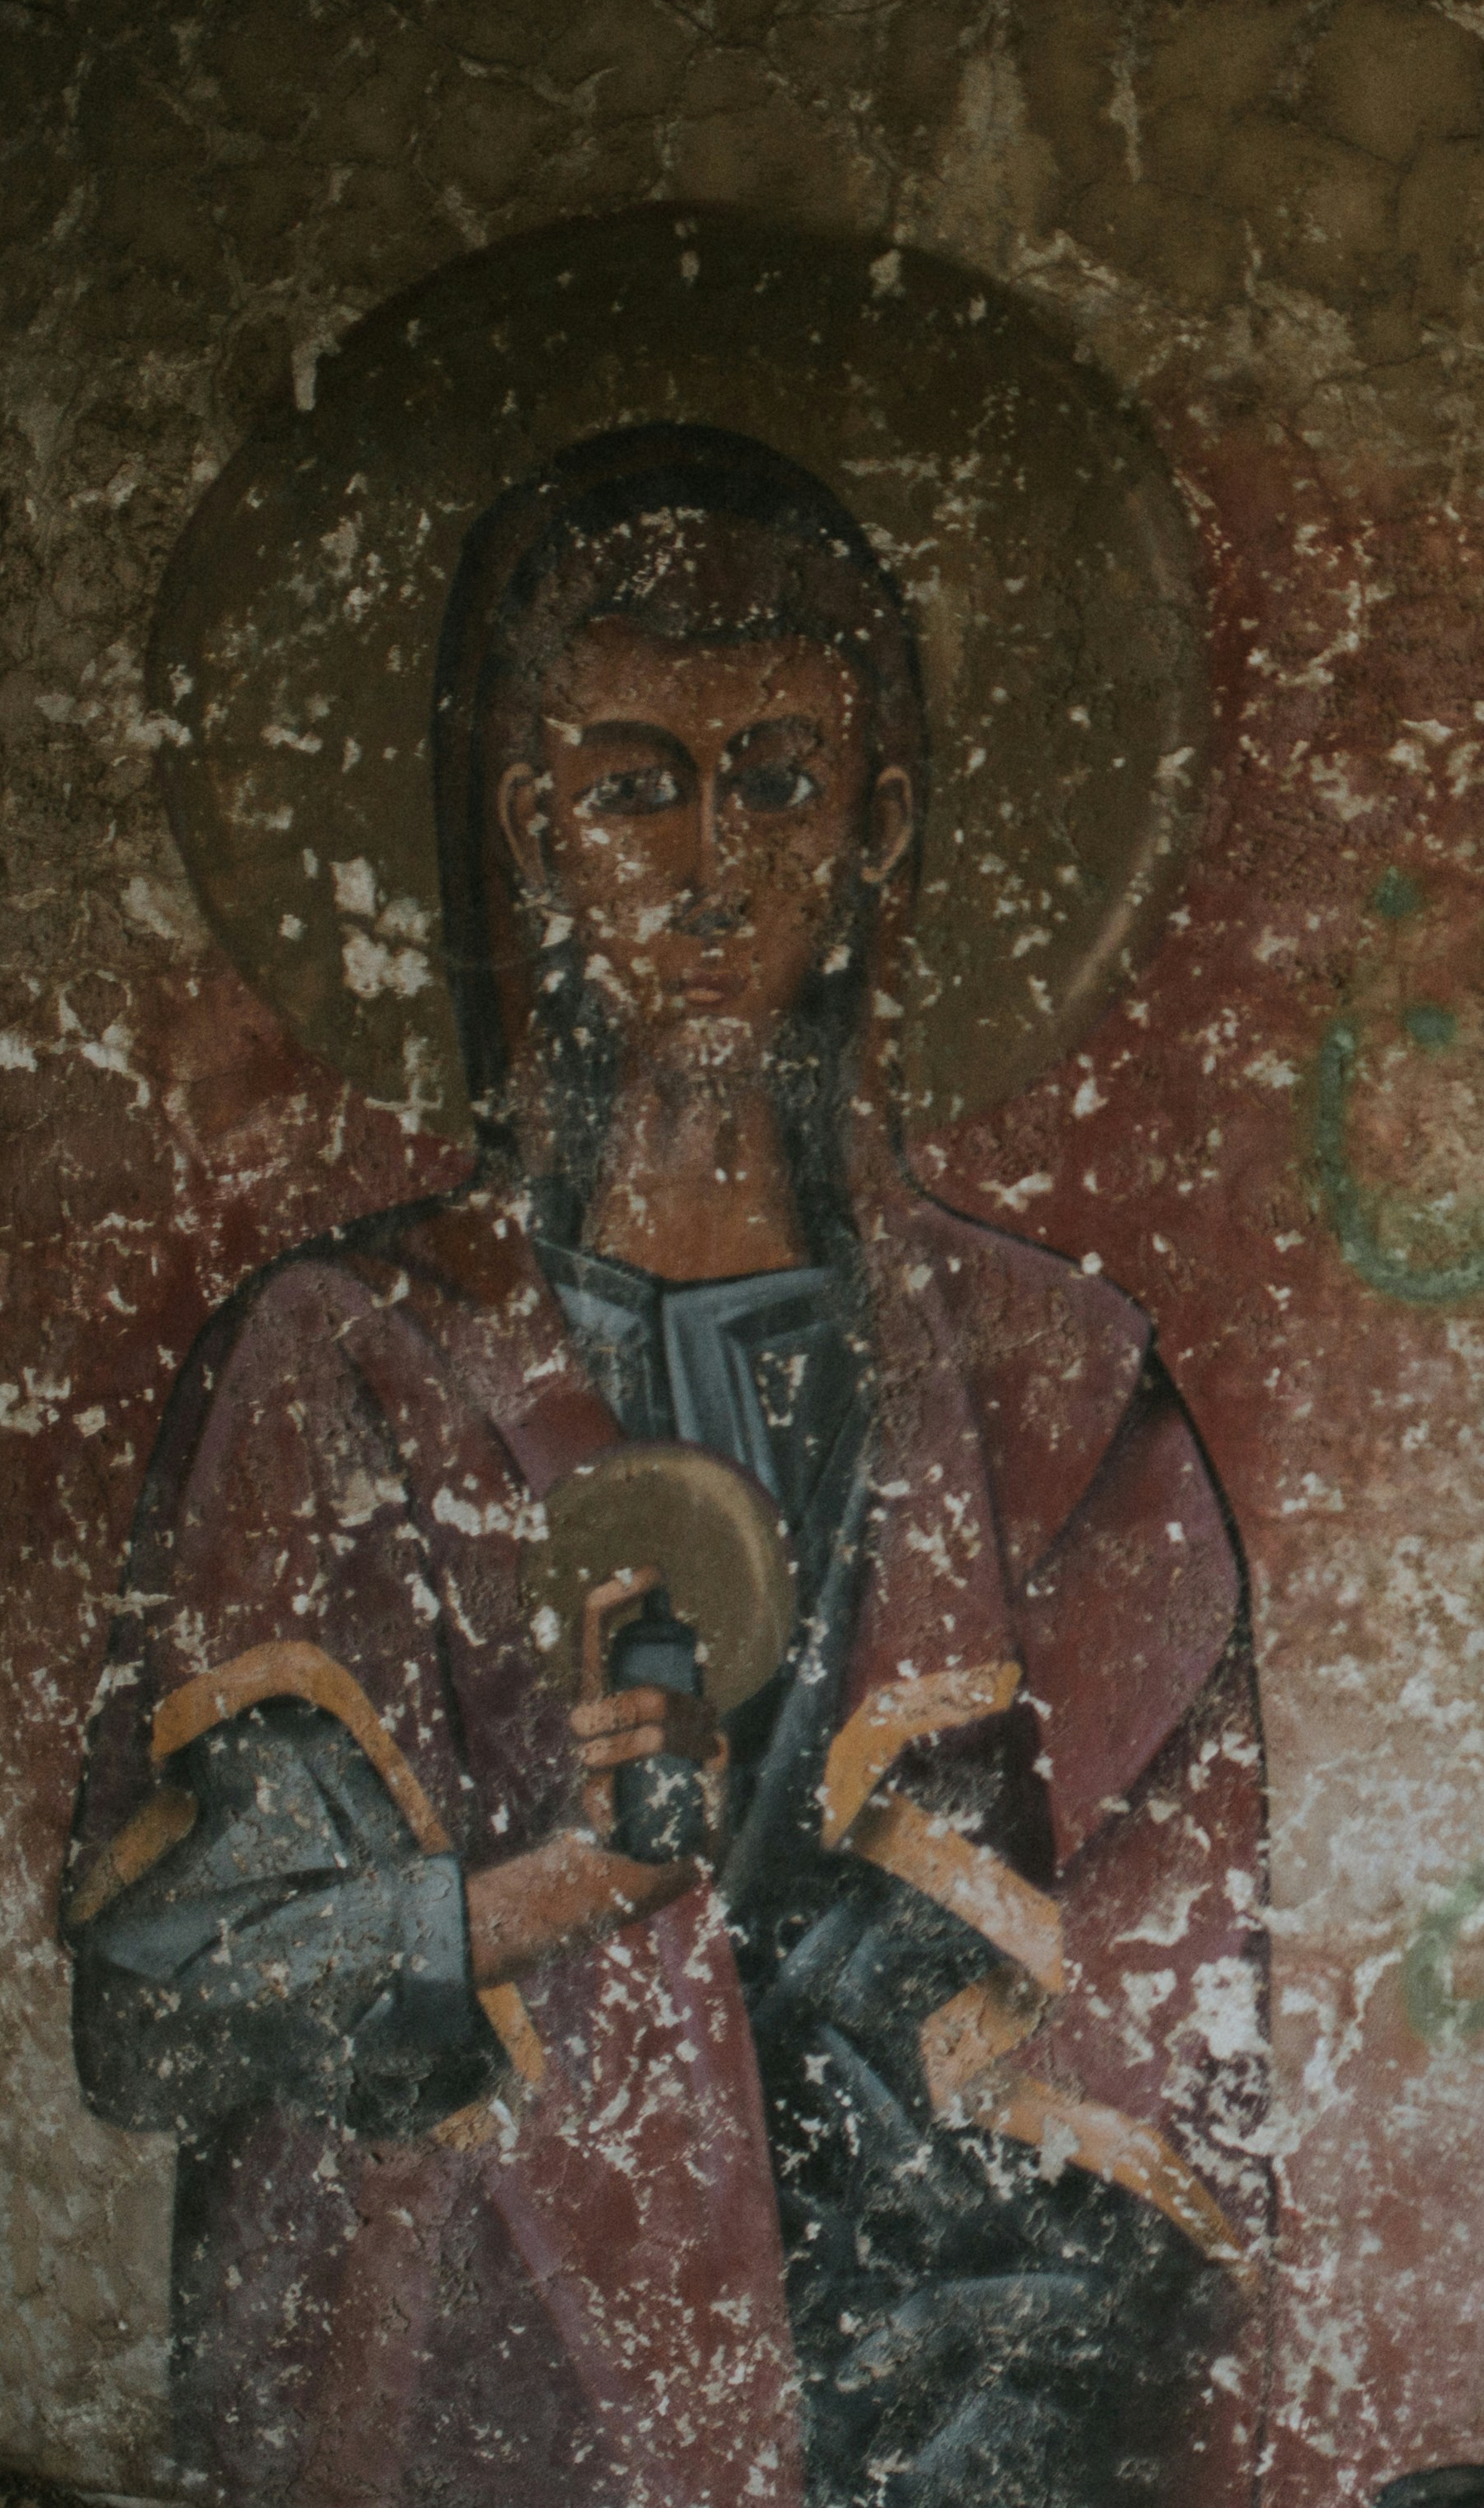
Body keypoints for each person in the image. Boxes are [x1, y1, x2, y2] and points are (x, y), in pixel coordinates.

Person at [64, 423, 1271, 2506]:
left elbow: (1166, 2055)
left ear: (878, 822)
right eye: (637, 785)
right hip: (477, 2406)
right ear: (533, 826)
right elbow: (151, 2009)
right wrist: (554, 1888)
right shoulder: (346, 1362)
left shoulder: (1058, 1397)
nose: (709, 865)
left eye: (776, 781)